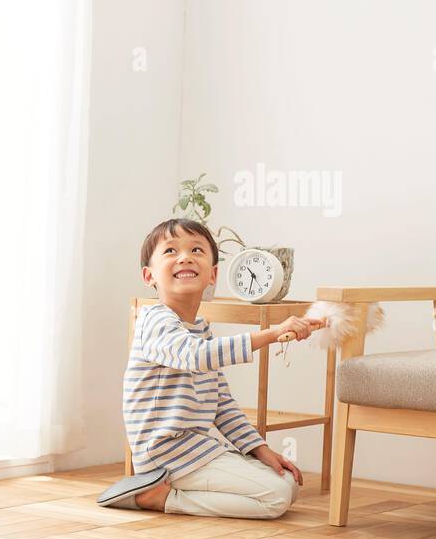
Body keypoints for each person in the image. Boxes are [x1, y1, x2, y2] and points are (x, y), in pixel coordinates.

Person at [98, 219, 324, 518]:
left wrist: (261, 450)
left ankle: (176, 491)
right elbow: (196, 356)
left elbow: (222, 405)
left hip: (197, 449)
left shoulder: (200, 329)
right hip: (166, 455)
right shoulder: (154, 321)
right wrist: (271, 333)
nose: (185, 257)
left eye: (196, 250)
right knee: (276, 497)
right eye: (170, 251)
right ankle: (160, 497)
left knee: (287, 483)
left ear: (213, 274)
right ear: (148, 276)